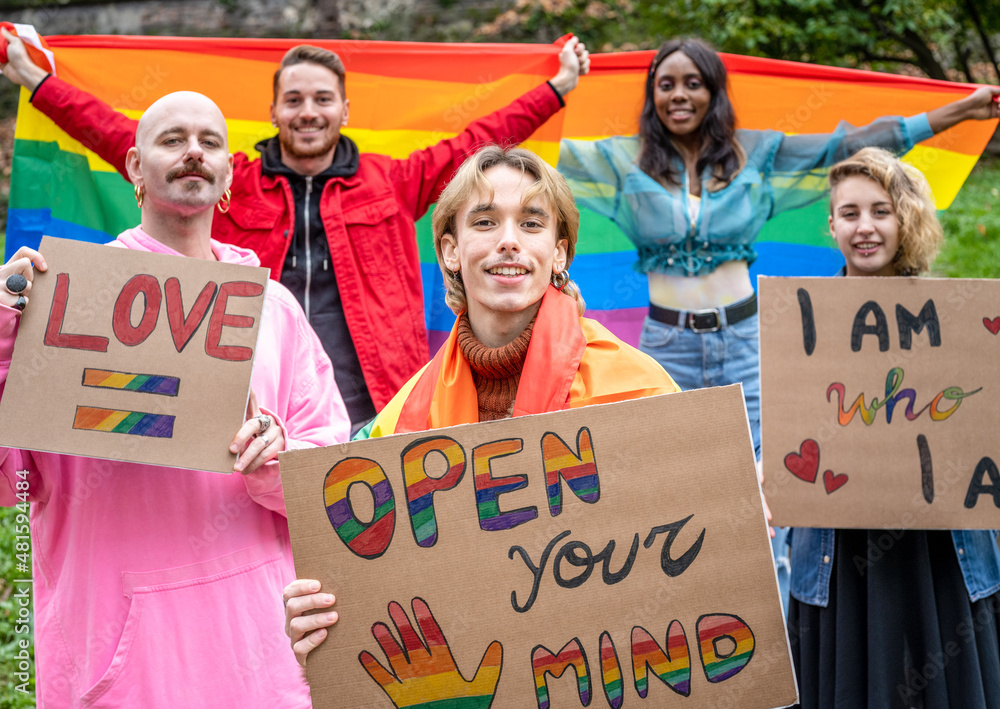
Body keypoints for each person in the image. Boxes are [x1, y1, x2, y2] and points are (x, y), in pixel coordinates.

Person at [0, 29, 590, 435]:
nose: (309, 111)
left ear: (344, 110)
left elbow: (477, 143)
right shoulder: (231, 182)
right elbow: (117, 134)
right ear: (276, 112)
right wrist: (35, 78)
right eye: (295, 100)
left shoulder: (394, 182)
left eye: (323, 99)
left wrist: (557, 89)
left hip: (377, 398)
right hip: (256, 399)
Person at [0, 90, 351, 705]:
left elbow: (334, 483)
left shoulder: (275, 310)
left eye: (209, 142)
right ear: (135, 166)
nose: (193, 152)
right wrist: (6, 342)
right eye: (172, 140)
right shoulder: (59, 301)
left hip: (261, 657)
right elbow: (12, 484)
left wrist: (278, 458)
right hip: (117, 667)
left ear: (228, 176)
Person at [282, 144, 681, 666]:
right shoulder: (401, 420)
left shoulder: (640, 388)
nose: (509, 242)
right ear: (450, 250)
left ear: (559, 253)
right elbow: (373, 588)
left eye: (532, 224)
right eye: (486, 222)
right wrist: (326, 612)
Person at [558, 37, 1000, 458]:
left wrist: (960, 111)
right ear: (651, 95)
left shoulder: (758, 152)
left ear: (714, 92)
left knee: (762, 472)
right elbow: (539, 149)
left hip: (747, 340)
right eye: (666, 84)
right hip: (666, 343)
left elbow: (843, 146)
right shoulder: (620, 159)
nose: (679, 95)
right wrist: (556, 85)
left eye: (694, 83)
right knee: (673, 470)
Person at [788, 147, 1000, 708]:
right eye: (850, 213)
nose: (865, 227)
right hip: (841, 553)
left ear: (904, 218)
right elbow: (780, 426)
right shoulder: (799, 321)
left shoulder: (956, 316)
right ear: (831, 223)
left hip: (937, 551)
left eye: (881, 211)